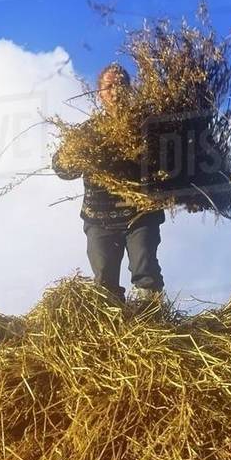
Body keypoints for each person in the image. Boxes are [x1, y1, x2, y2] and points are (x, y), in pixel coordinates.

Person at [52, 63, 165, 304]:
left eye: (122, 85)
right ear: (99, 94)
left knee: (145, 269)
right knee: (104, 281)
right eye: (109, 86)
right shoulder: (89, 133)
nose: (116, 91)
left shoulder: (147, 127)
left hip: (140, 214)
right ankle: (115, 331)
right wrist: (71, 158)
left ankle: (152, 321)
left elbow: (168, 159)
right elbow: (63, 168)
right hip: (99, 218)